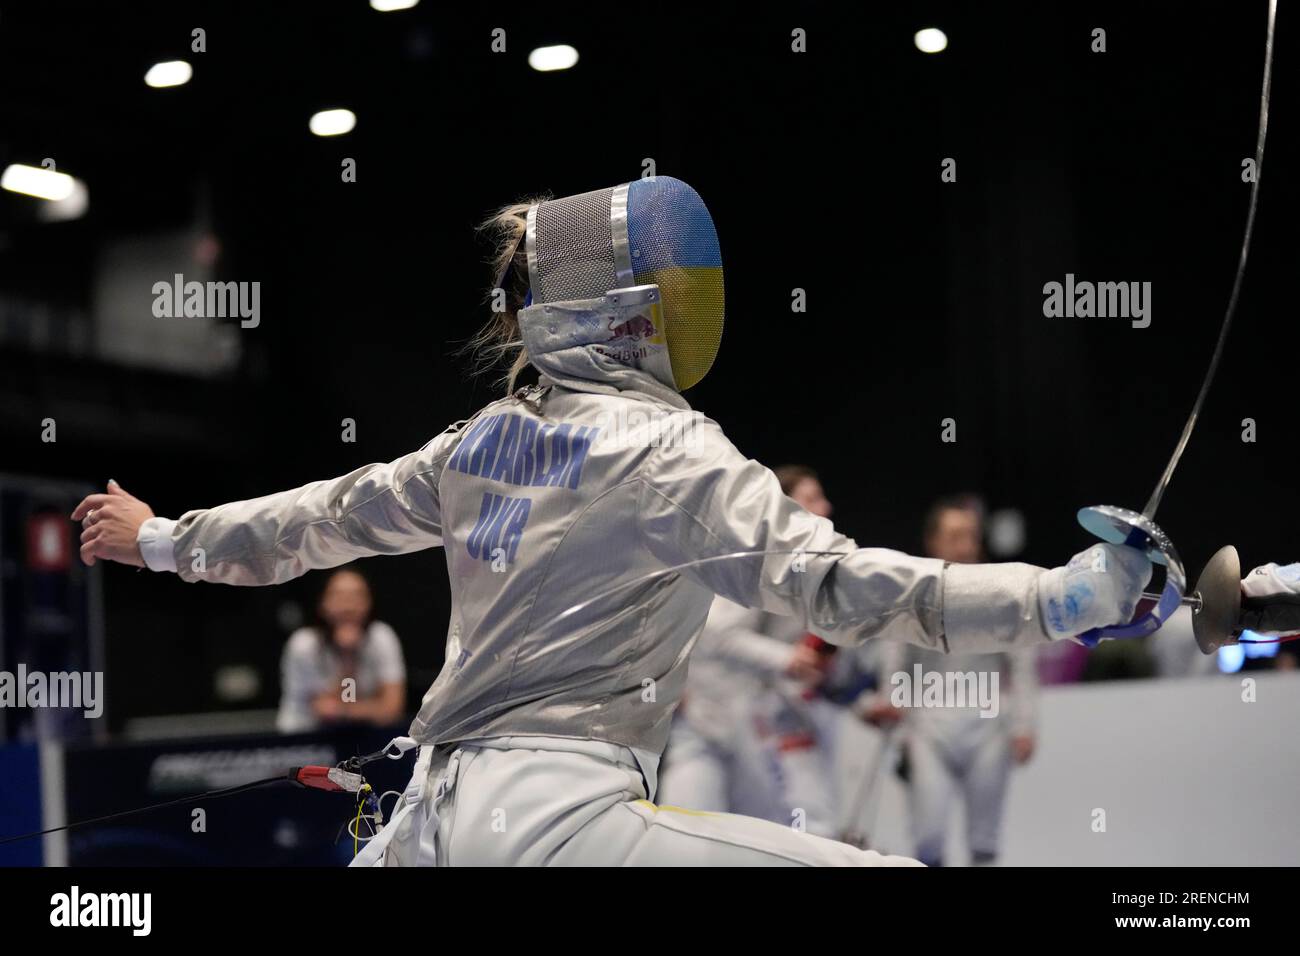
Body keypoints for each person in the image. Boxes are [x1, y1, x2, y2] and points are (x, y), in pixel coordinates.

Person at [70, 177, 1151, 867]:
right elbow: (843, 585)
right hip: (556, 816)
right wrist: (1062, 597)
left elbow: (317, 518)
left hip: (422, 828)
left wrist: (163, 535)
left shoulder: (480, 441)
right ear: (632, 306)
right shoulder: (670, 450)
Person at [659, 465, 843, 836]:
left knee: (767, 835)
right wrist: (788, 660)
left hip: (752, 721)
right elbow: (718, 634)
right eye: (811, 499)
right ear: (782, 506)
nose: (824, 509)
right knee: (683, 834)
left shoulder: (796, 566)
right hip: (707, 723)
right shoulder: (747, 552)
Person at [864, 495, 1039, 866]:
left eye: (971, 536)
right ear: (933, 541)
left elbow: (1023, 662)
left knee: (984, 839)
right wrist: (891, 700)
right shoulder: (911, 593)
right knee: (928, 837)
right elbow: (895, 654)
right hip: (929, 728)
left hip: (989, 728)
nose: (965, 545)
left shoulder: (1002, 589)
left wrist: (1025, 724)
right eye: (955, 536)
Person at [277, 567, 407, 733]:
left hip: (358, 736)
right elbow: (326, 712)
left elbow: (392, 709)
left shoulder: (382, 637)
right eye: (338, 596)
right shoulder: (303, 644)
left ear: (369, 602)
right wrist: (347, 656)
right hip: (304, 739)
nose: (348, 606)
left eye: (356, 596)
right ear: (322, 604)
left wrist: (349, 656)